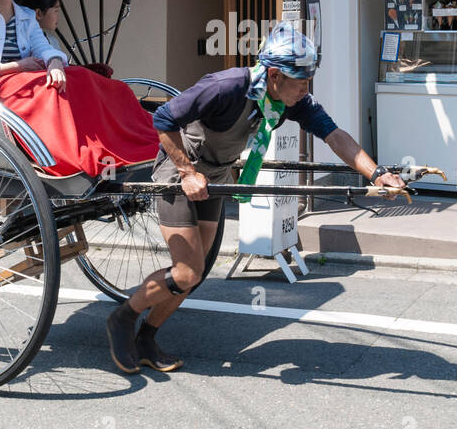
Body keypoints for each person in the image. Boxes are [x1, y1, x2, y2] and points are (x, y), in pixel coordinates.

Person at [105, 22, 407, 374]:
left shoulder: (289, 100)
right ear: (275, 75)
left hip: (215, 176)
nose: (306, 89)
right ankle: (123, 319)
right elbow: (163, 118)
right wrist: (187, 172)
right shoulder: (225, 87)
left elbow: (335, 136)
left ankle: (147, 337)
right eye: (301, 81)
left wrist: (376, 174)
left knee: (196, 272)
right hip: (179, 176)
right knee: (185, 272)